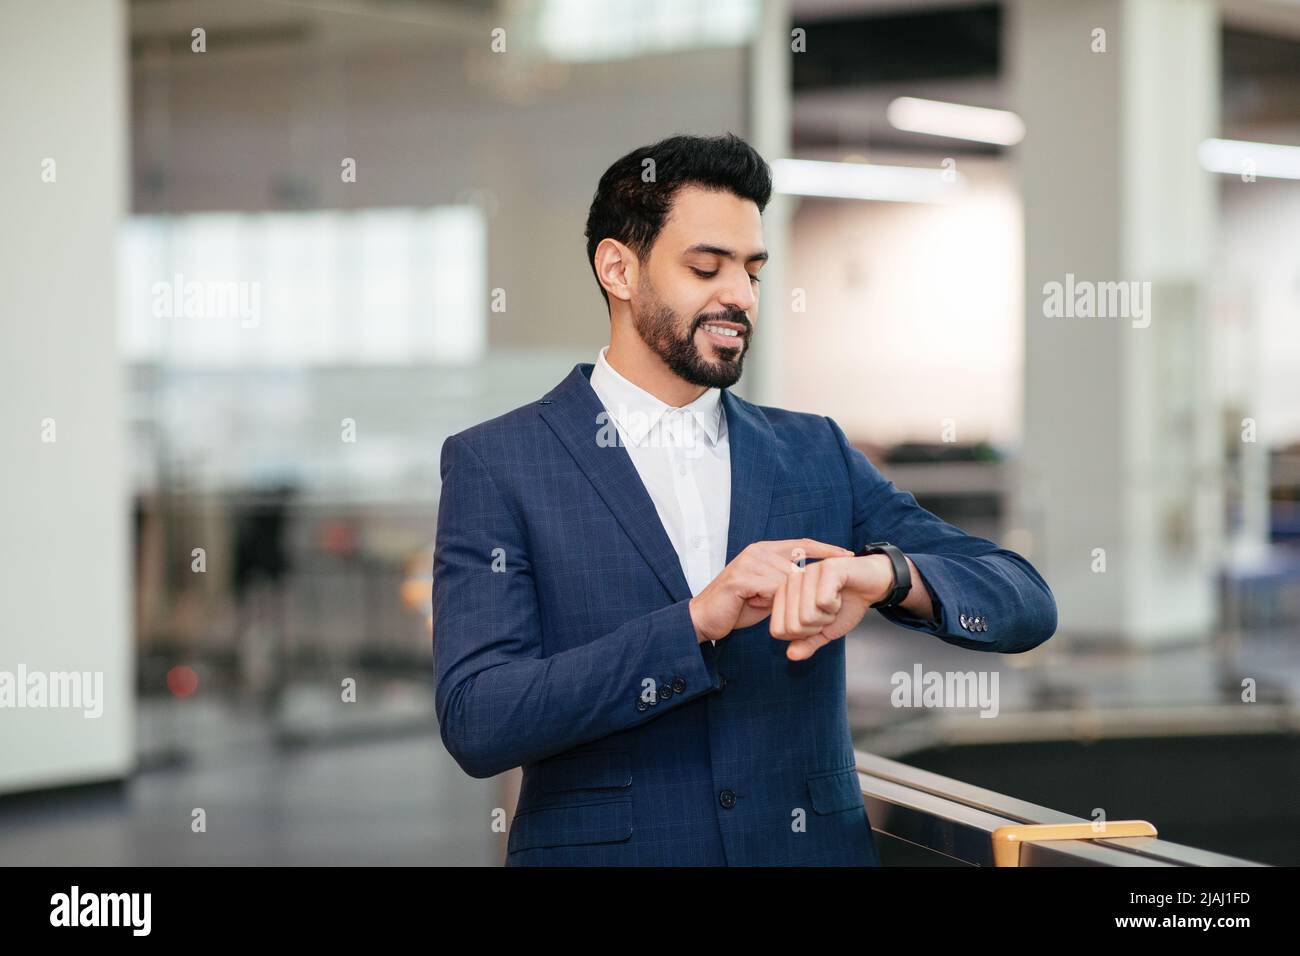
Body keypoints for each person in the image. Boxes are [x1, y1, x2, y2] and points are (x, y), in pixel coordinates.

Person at [431, 132, 1056, 866]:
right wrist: (695, 623)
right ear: (618, 269)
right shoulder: (499, 463)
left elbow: (1025, 601)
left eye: (753, 271)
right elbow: (481, 718)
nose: (739, 296)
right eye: (707, 267)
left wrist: (886, 575)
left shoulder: (812, 452)